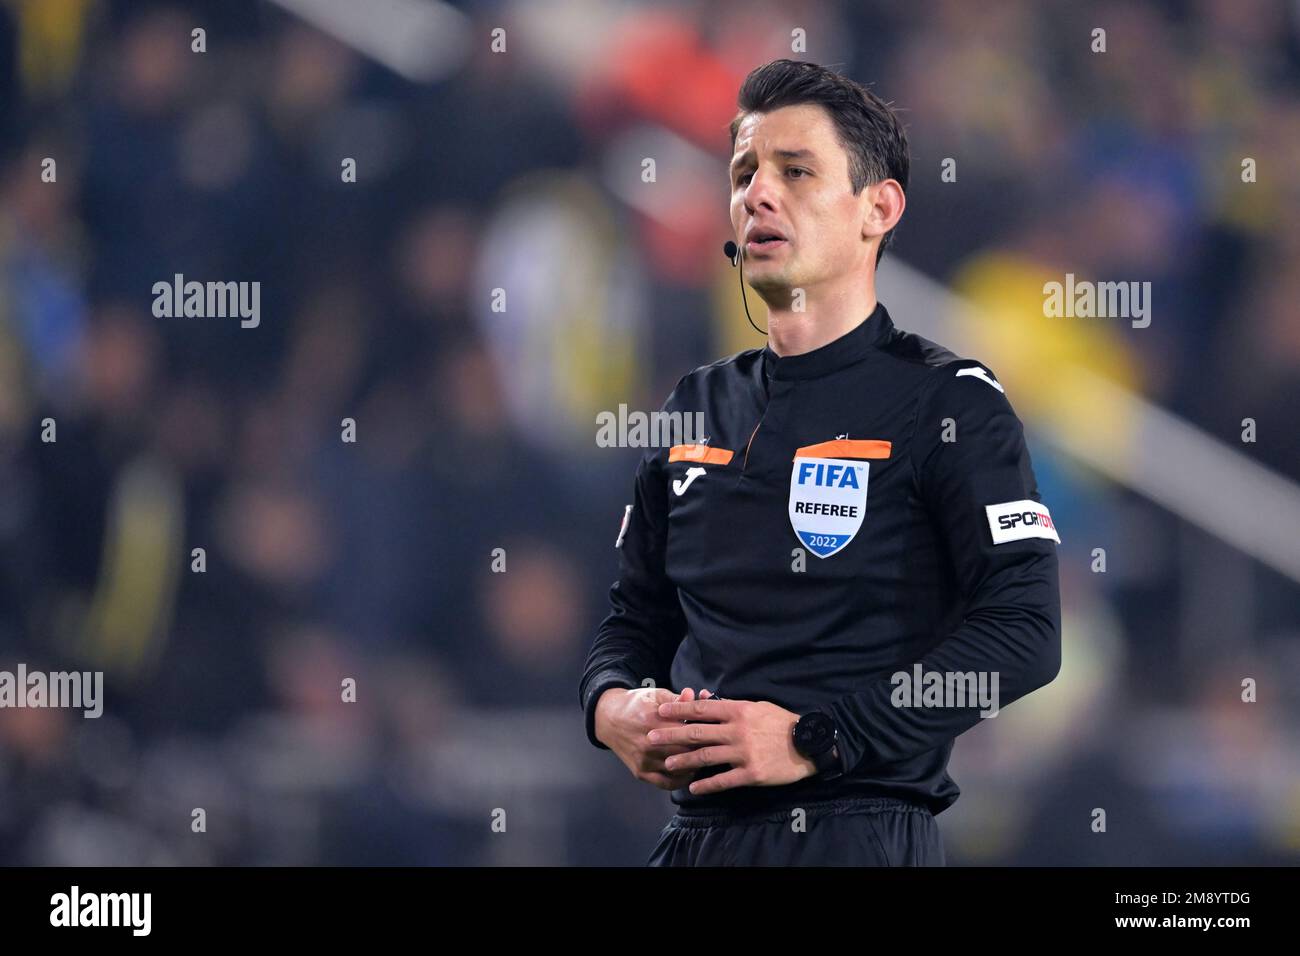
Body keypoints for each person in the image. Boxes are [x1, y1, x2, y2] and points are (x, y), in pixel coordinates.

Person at [579, 59, 1061, 866]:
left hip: (855, 833)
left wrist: (818, 740)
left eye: (796, 171)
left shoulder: (948, 403)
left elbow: (1025, 635)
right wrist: (611, 708)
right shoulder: (694, 404)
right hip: (693, 839)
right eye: (743, 173)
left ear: (879, 207)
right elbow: (634, 619)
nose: (758, 194)